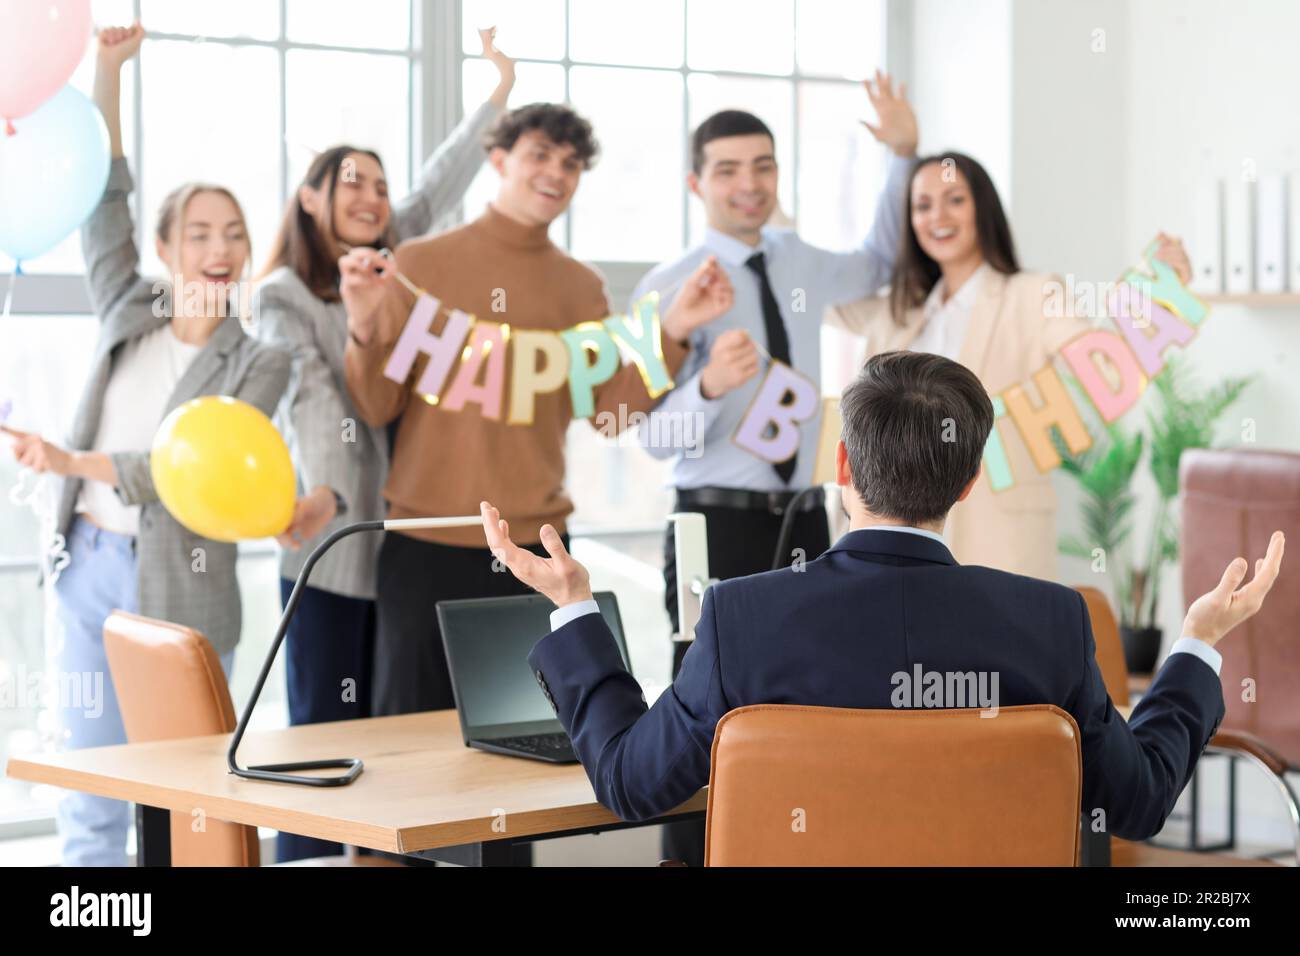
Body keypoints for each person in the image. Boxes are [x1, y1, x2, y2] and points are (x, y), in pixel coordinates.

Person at [481, 350, 1285, 843]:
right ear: (970, 481)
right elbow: (1139, 802)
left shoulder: (740, 617)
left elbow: (627, 784)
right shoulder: (1050, 621)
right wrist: (1198, 644)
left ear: (840, 465)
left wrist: (575, 608)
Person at [0, 23, 290, 866]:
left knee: (189, 794)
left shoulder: (260, 363)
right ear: (166, 249)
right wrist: (109, 72)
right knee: (92, 783)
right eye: (198, 233)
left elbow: (179, 476)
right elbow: (105, 202)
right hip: (88, 567)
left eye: (233, 233)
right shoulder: (129, 308)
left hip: (184, 589)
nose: (219, 248)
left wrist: (67, 462)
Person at [339, 102, 733, 720]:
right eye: (539, 155)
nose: (556, 172)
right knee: (407, 735)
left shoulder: (581, 288)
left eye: (571, 163)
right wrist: (364, 325)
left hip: (538, 550)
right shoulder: (418, 264)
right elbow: (374, 403)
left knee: (535, 737)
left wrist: (675, 329)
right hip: (426, 543)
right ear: (499, 159)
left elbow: (608, 415)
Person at [631, 70, 919, 864]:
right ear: (696, 182)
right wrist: (708, 383)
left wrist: (901, 155)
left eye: (763, 166)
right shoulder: (665, 288)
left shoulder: (799, 260)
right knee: (704, 713)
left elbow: (875, 264)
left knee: (805, 700)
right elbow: (650, 438)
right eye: (727, 169)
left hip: (807, 518)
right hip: (710, 519)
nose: (748, 184)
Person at [252, 27, 515, 863]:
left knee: (397, 748)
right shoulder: (288, 294)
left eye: (378, 183)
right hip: (332, 549)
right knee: (322, 746)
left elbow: (443, 182)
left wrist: (498, 95)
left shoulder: (393, 258)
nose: (369, 195)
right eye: (348, 182)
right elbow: (313, 394)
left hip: (408, 546)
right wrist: (326, 494)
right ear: (308, 198)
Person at [826, 151, 1193, 580]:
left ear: (984, 208)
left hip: (995, 532)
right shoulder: (898, 312)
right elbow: (812, 283)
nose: (937, 216)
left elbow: (1107, 370)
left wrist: (1161, 299)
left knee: (985, 644)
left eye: (954, 199)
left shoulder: (1034, 295)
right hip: (890, 537)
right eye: (922, 205)